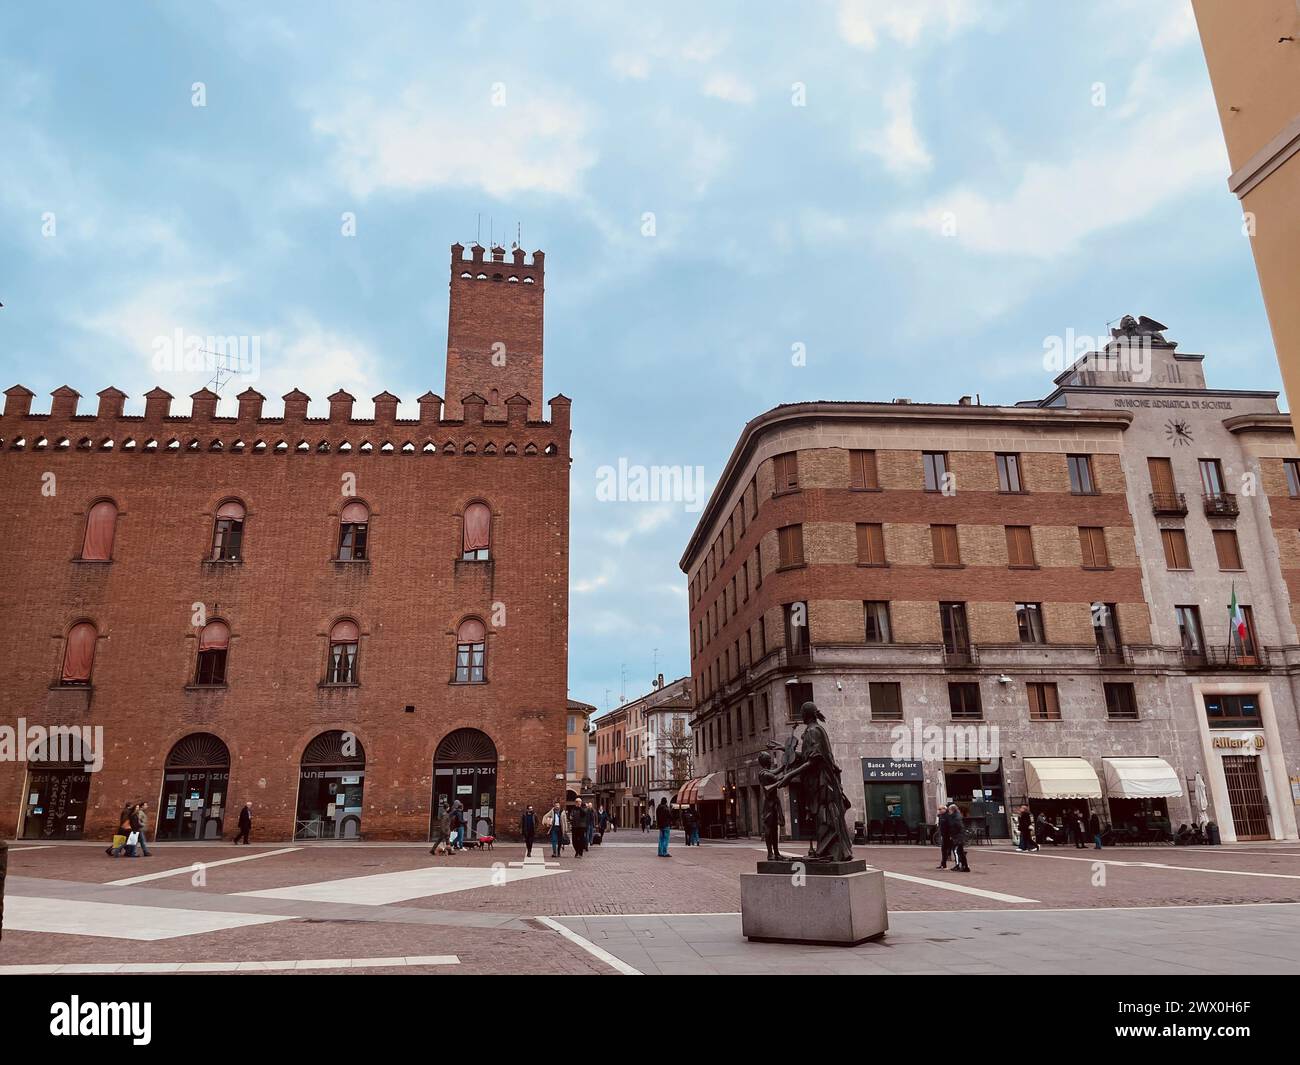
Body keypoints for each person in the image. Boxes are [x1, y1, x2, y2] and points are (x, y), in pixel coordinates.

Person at [947, 803, 970, 872]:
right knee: (960, 851)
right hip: (957, 836)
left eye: (949, 810)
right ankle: (964, 866)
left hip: (958, 837)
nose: (949, 812)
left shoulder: (956, 817)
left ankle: (959, 865)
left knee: (956, 851)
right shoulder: (955, 816)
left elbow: (959, 827)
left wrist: (955, 836)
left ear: (952, 810)